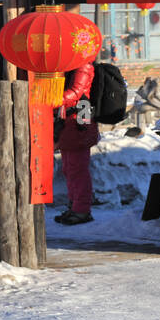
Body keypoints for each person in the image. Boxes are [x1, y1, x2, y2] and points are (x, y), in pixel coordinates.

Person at [55, 62, 99, 225]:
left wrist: (53, 100)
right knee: (69, 168)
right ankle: (74, 206)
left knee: (77, 168)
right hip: (71, 122)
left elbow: (76, 92)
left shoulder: (83, 67)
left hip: (79, 122)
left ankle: (81, 209)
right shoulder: (71, 66)